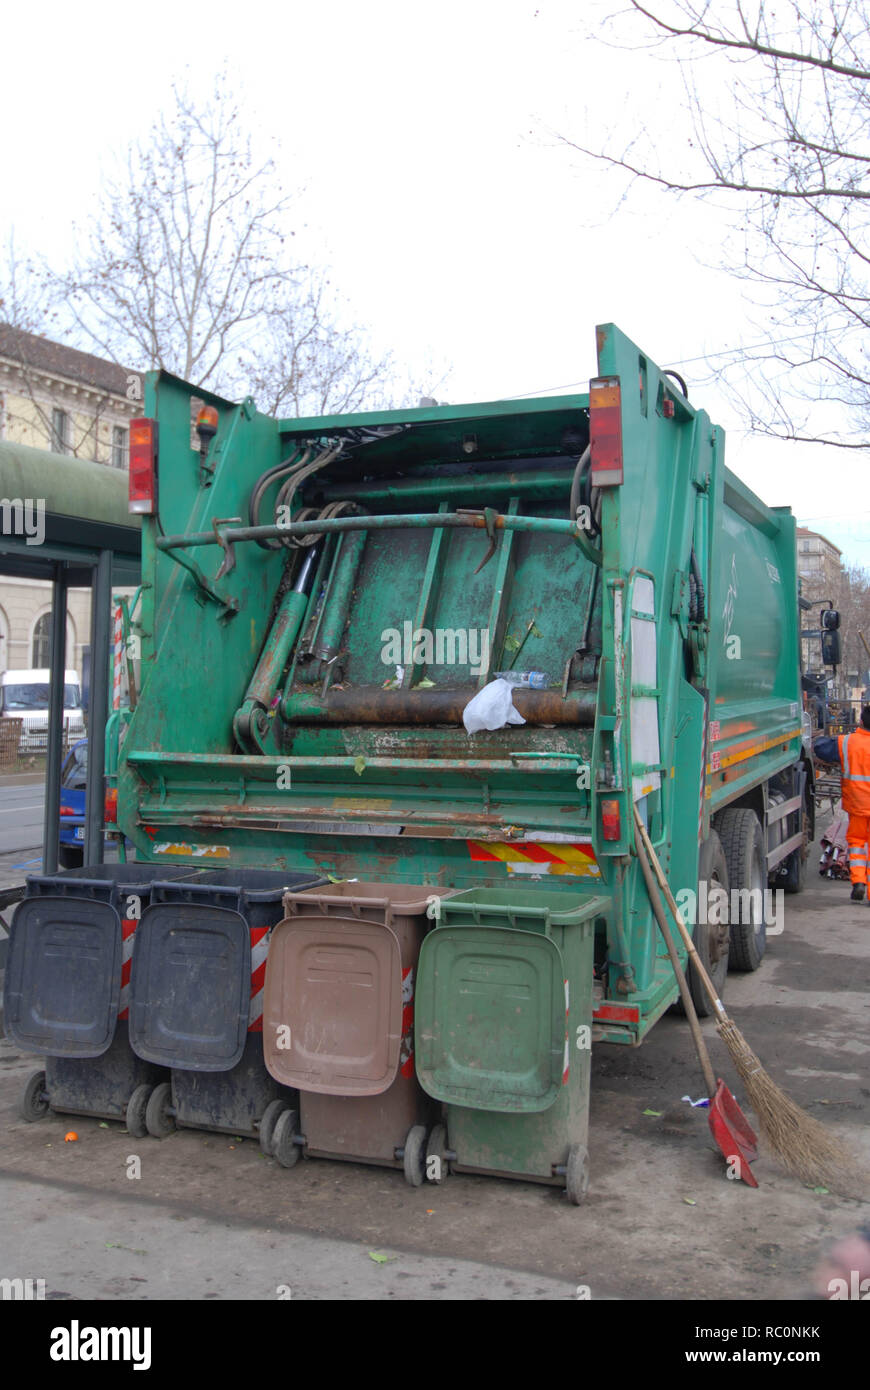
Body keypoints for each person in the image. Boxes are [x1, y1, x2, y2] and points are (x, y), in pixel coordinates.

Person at [814, 705, 870, 902]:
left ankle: (858, 882)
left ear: (861, 721)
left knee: (856, 844)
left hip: (857, 805)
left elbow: (820, 748)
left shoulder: (847, 743)